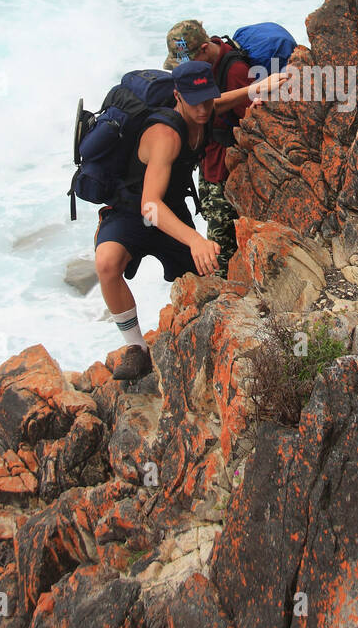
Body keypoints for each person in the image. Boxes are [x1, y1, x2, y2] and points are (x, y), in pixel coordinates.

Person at [94, 60, 221, 381]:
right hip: (132, 209)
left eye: (209, 98)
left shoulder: (203, 109)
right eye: (196, 101)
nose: (204, 108)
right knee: (107, 264)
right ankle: (137, 347)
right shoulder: (165, 135)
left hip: (171, 209)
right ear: (177, 96)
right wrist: (195, 239)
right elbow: (150, 207)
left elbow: (222, 101)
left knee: (208, 281)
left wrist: (256, 88)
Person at [163, 19, 287, 274]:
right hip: (209, 160)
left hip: (225, 168)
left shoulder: (234, 72)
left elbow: (251, 123)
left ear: (206, 49)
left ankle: (223, 292)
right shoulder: (209, 65)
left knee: (219, 248)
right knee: (212, 224)